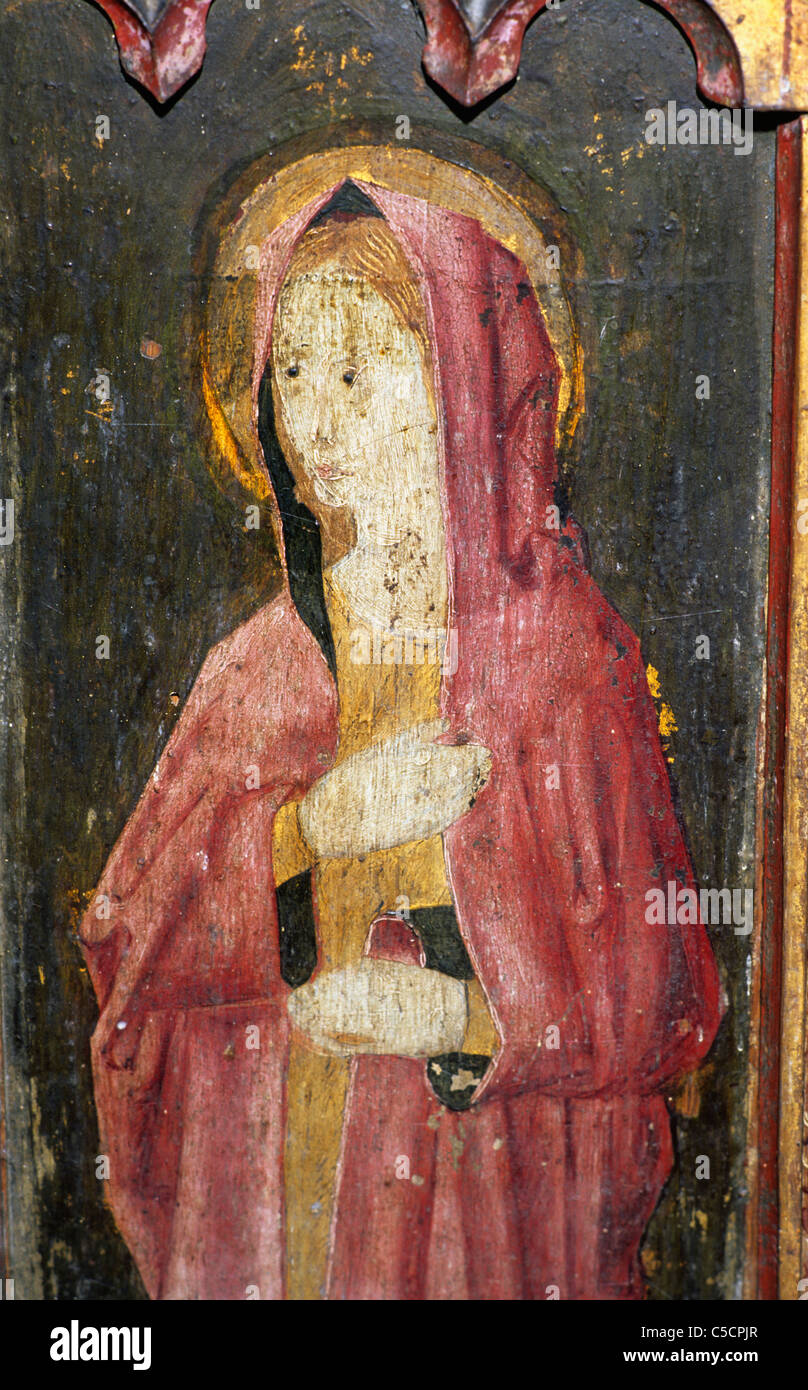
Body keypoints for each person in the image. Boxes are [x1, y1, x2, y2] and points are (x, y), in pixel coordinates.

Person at [79, 178, 722, 1301]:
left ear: (459, 386)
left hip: (482, 1209)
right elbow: (127, 950)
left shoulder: (568, 662)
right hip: (283, 1195)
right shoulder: (258, 668)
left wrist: (466, 1015)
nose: (315, 420)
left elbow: (662, 995)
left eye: (355, 371)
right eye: (291, 372)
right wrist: (304, 829)